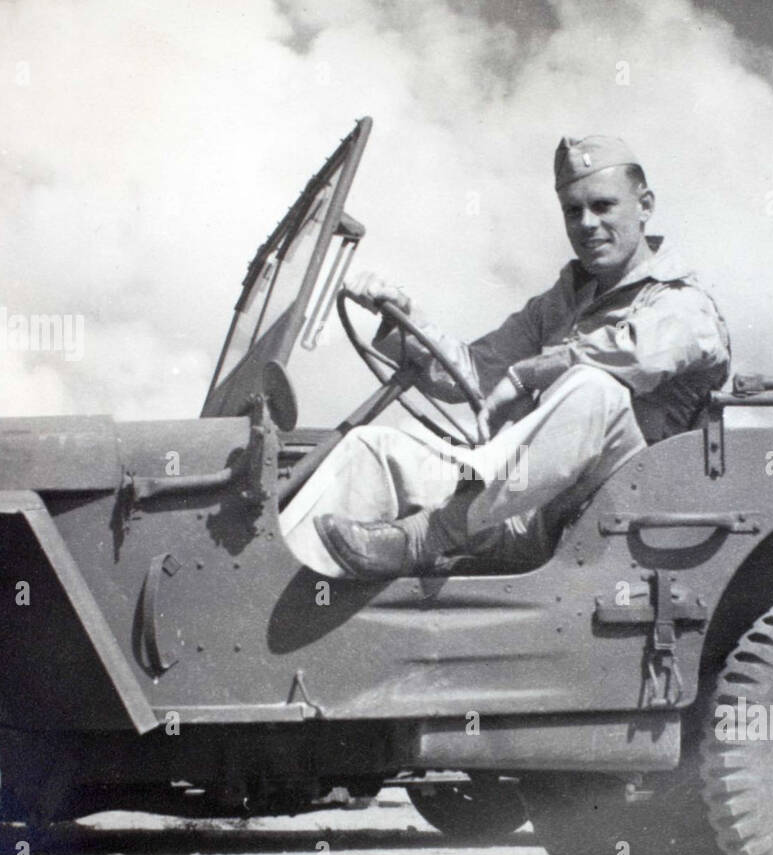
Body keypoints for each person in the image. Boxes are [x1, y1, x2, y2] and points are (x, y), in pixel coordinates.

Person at [279, 134, 731, 579]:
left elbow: (631, 354)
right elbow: (473, 373)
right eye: (573, 212)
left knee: (594, 385)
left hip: (605, 522)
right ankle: (262, 588)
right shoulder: (560, 303)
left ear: (645, 206)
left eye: (603, 206)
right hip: (509, 504)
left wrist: (525, 375)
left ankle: (435, 529)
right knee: (371, 449)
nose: (587, 223)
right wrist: (398, 316)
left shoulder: (684, 304)